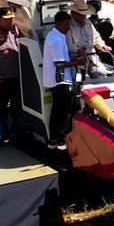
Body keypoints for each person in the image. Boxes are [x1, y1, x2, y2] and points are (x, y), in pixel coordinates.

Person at [43, 11, 82, 149]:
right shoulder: (57, 40)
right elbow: (59, 63)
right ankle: (61, 139)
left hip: (56, 81)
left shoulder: (54, 36)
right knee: (64, 111)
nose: (68, 27)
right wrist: (78, 62)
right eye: (66, 25)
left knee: (56, 111)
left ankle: (54, 139)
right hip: (60, 81)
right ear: (59, 23)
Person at [0, 7, 22, 141]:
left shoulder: (15, 30)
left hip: (17, 75)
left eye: (10, 19)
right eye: (6, 20)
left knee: (16, 103)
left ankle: (15, 126)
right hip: (3, 78)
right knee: (2, 104)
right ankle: (3, 128)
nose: (9, 22)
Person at [68, 0, 112, 78]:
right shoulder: (68, 26)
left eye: (84, 15)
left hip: (92, 57)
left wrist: (102, 45)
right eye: (80, 15)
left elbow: (96, 36)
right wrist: (78, 51)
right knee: (79, 78)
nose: (83, 18)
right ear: (73, 13)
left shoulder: (88, 22)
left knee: (102, 72)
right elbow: (69, 44)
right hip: (77, 59)